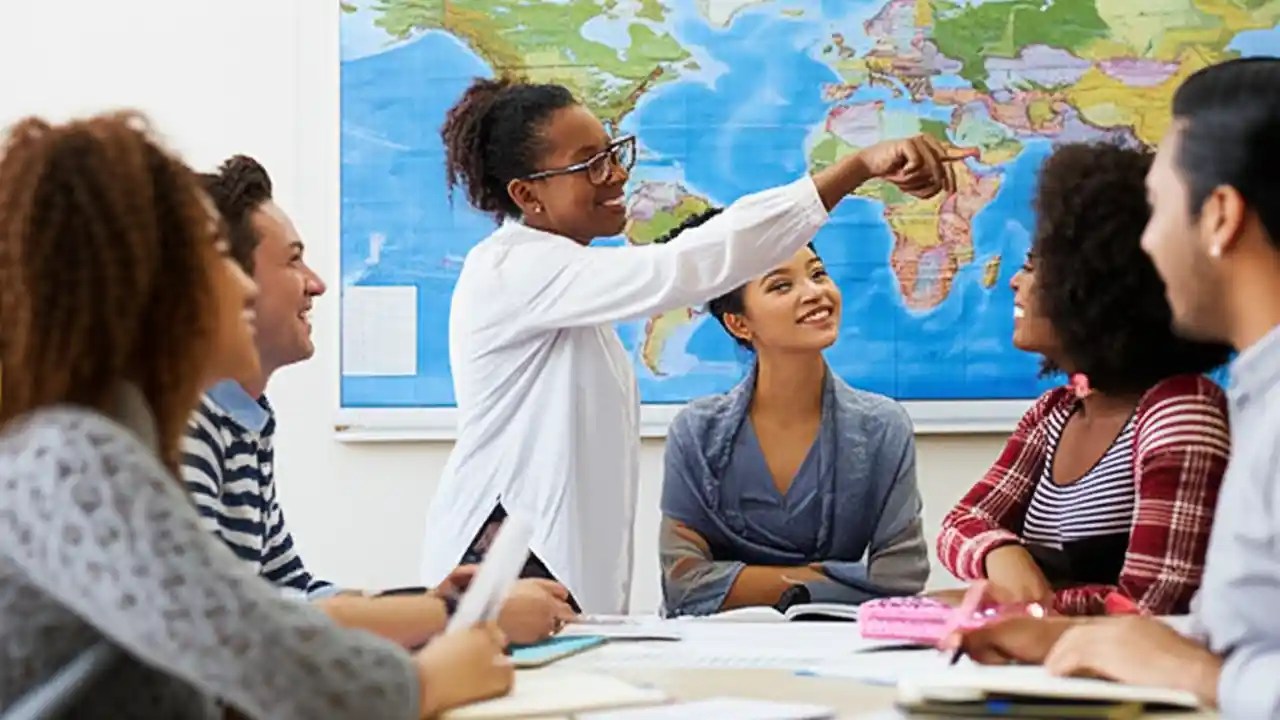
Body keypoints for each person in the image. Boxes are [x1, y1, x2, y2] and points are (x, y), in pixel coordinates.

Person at [0, 112, 510, 718]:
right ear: (148, 284)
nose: (241, 286)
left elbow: (249, 620)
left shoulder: (114, 440)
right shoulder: (72, 455)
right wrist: (424, 681)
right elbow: (240, 637)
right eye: (215, 253)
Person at [421, 75, 968, 613]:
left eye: (613, 153)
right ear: (527, 193)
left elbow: (898, 574)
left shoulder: (563, 284)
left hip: (542, 558)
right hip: (505, 555)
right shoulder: (513, 269)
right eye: (590, 165)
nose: (615, 176)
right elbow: (684, 262)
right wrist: (855, 168)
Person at [955, 57, 1280, 717]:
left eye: (1157, 209)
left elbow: (1166, 609)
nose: (1148, 246)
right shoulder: (1258, 395)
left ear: (1219, 216)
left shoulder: (1198, 409)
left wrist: (1197, 673)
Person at [184, 155, 573, 646]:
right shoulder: (187, 423)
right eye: (292, 260)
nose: (317, 284)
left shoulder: (243, 420)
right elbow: (222, 624)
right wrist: (458, 617)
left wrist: (424, 602)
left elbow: (292, 591)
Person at [936, 142, 1233, 616]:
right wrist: (999, 552)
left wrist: (1026, 604)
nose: (1016, 281)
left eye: (1034, 266)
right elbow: (959, 524)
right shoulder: (1054, 412)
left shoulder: (1180, 409)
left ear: (1096, 284)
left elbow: (1153, 598)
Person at [656, 208, 928, 616]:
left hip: (843, 650)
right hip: (716, 654)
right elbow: (683, 584)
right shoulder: (697, 433)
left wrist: (745, 580)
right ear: (738, 323)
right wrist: (834, 578)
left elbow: (899, 579)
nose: (814, 292)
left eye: (817, 274)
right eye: (782, 286)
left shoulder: (883, 428)